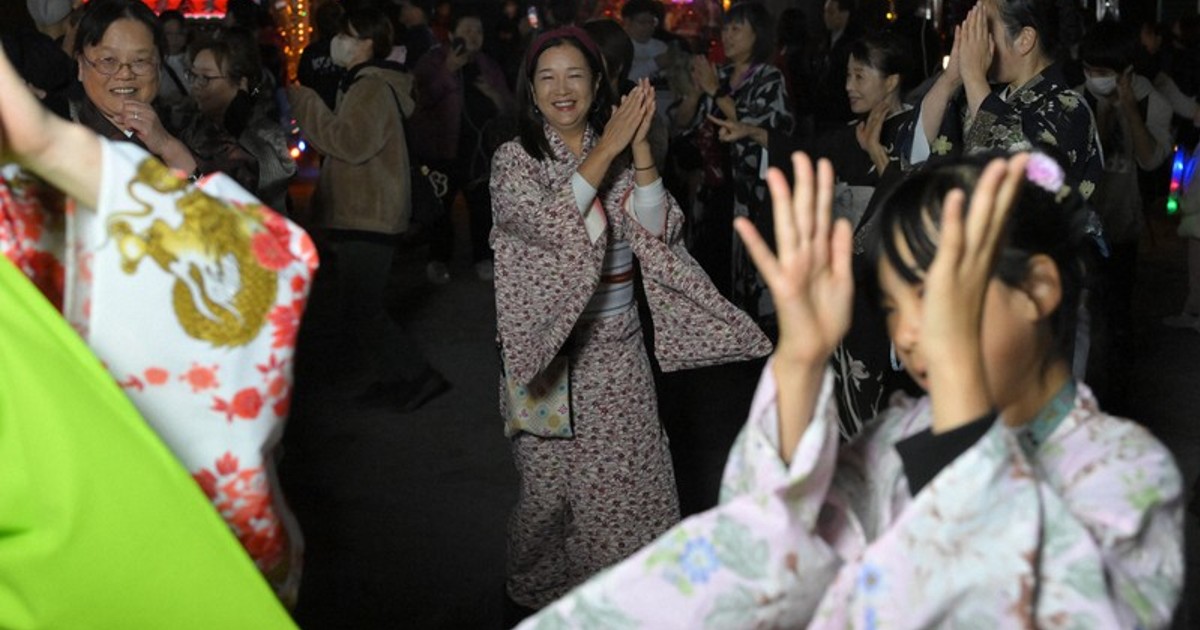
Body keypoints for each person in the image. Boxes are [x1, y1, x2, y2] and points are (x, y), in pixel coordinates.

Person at [513, 149, 1184, 629]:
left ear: (1038, 287)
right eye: (895, 304)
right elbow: (767, 545)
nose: (916, 332)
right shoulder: (901, 432)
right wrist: (801, 359)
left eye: (940, 293)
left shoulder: (1130, 472)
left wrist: (957, 390)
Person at [490, 26, 771, 619]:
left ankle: (624, 602)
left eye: (575, 76)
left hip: (617, 354)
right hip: (545, 362)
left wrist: (639, 149)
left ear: (597, 85)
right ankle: (539, 597)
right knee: (547, 497)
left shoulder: (613, 148)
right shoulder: (514, 162)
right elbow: (554, 226)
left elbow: (657, 231)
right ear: (530, 90)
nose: (561, 89)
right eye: (547, 77)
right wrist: (607, 148)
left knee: (628, 491)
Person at [711, 31, 920, 436]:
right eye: (847, 76)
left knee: (879, 404)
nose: (848, 86)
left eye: (860, 76)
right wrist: (752, 133)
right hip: (841, 286)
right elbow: (803, 151)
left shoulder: (917, 133)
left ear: (892, 81)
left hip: (885, 290)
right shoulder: (851, 132)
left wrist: (882, 160)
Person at [288, 6, 450, 411]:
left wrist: (304, 102)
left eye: (350, 35)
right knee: (359, 306)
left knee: (363, 307)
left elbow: (348, 142)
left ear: (369, 43)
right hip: (365, 208)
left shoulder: (370, 87)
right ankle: (394, 377)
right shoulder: (365, 82)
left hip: (370, 211)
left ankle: (417, 377)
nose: (340, 42)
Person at [905, 0, 1101, 200]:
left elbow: (1024, 188)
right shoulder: (981, 95)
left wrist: (974, 76)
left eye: (984, 30)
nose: (976, 42)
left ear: (1024, 40)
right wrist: (950, 79)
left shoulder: (1069, 108)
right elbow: (919, 155)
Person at [676, 1, 793, 327]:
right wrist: (694, 93)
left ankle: (747, 347)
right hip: (712, 187)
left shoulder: (769, 78)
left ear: (759, 35)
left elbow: (759, 131)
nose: (727, 36)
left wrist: (716, 91)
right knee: (710, 263)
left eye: (736, 29)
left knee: (745, 270)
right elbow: (684, 125)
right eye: (725, 28)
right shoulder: (721, 73)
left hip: (748, 191)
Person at [1076, 20, 1172, 412]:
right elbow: (1083, 163)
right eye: (1090, 71)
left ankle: (1112, 407)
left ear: (1127, 71)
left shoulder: (1155, 102)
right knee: (1084, 325)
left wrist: (1129, 109)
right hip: (1081, 228)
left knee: (1115, 324)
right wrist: (1099, 109)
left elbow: (1150, 160)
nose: (1095, 79)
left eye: (1104, 73)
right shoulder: (1076, 99)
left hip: (1124, 228)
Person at [71, 0, 258, 192]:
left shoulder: (189, 128)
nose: (125, 74)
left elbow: (242, 203)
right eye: (108, 60)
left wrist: (170, 149)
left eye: (140, 61)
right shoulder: (61, 135)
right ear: (80, 66)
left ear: (160, 66)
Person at [410, 9, 514, 283]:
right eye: (467, 30)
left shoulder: (488, 64)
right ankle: (438, 259)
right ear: (453, 34)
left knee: (482, 208)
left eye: (477, 31)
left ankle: (483, 257)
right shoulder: (433, 60)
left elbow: (508, 106)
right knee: (440, 211)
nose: (473, 36)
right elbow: (418, 100)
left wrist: (495, 96)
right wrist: (448, 71)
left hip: (478, 153)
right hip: (440, 150)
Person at [188, 28, 297, 214]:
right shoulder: (193, 127)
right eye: (192, 76)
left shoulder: (264, 132)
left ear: (240, 82)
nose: (196, 85)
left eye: (206, 78)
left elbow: (272, 191)